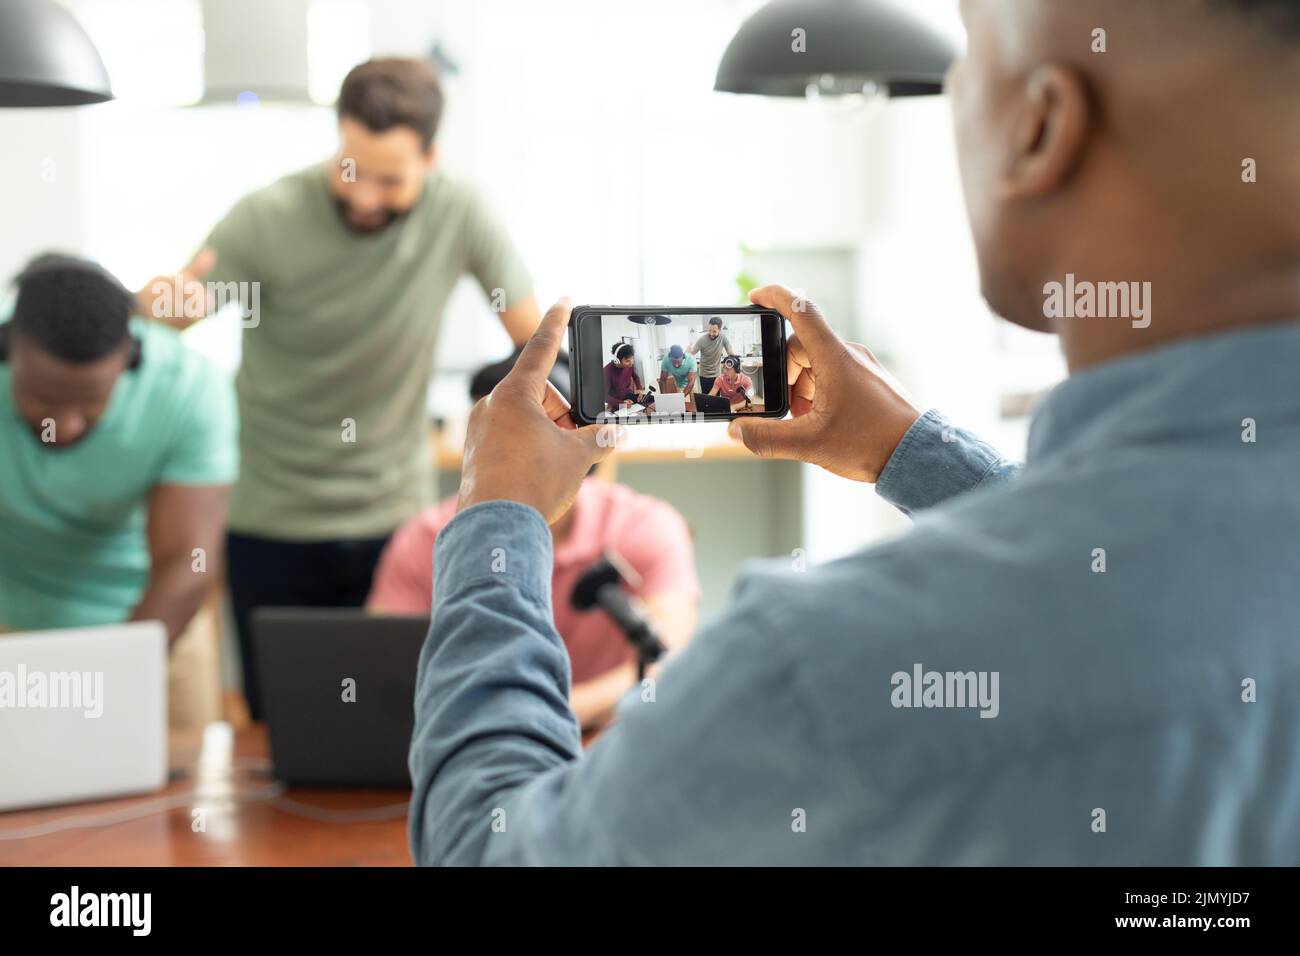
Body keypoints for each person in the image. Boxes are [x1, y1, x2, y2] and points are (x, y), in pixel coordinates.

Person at [405, 0, 1300, 865]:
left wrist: (499, 513)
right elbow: (1126, 590)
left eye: (962, 61)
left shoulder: (823, 668)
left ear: (1039, 128)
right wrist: (909, 449)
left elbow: (488, 850)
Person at [136, 58, 541, 720]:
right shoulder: (266, 217)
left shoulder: (460, 213)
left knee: (399, 719)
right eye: (352, 169)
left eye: (390, 179)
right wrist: (160, 301)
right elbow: (179, 309)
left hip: (395, 519)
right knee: (284, 727)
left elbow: (535, 347)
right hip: (270, 519)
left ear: (432, 157)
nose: (364, 196)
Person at [368, 352, 699, 729]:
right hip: (473, 743)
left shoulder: (645, 526)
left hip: (601, 750)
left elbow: (670, 660)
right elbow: (387, 670)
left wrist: (551, 716)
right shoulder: (425, 538)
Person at [0, 255, 237, 724]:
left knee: (176, 792)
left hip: (155, 628)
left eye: (91, 402)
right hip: (12, 627)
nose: (64, 426)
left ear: (130, 362)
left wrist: (111, 683)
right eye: (42, 400)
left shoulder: (188, 387)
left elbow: (188, 560)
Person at [687, 316, 735, 394]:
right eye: (709, 330)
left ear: (719, 330)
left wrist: (736, 360)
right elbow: (691, 353)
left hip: (717, 375)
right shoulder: (702, 340)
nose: (711, 333)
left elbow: (730, 353)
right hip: (704, 375)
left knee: (717, 399)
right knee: (706, 399)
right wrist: (688, 350)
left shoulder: (723, 338)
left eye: (714, 331)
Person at [602, 343, 654, 414]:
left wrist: (639, 389)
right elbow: (604, 396)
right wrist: (622, 403)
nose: (631, 363)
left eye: (632, 358)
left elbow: (635, 377)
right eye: (627, 361)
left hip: (629, 396)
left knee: (653, 400)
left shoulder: (629, 366)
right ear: (617, 360)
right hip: (617, 403)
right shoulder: (606, 372)